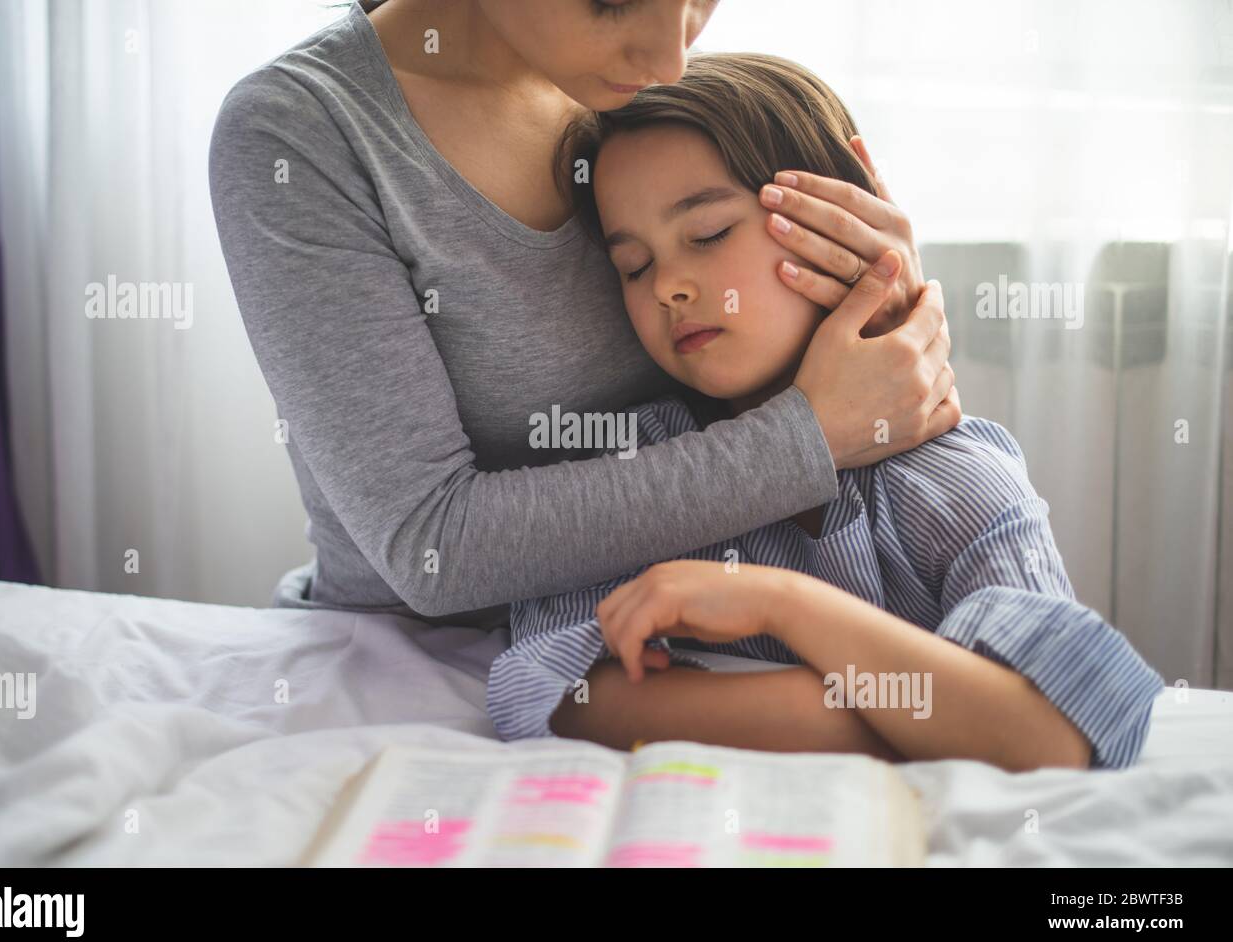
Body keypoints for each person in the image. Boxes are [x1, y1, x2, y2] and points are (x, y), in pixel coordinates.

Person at [486, 53, 1164, 772]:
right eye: (634, 265)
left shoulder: (949, 475)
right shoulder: (634, 467)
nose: (668, 288)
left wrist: (780, 602)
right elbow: (569, 699)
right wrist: (932, 721)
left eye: (709, 233)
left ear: (849, 205)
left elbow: (1052, 732)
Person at [209, 0, 958, 627]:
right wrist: (814, 435)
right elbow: (430, 546)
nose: (671, 58)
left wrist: (880, 323)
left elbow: (797, 389)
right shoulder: (301, 132)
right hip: (422, 668)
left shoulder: (635, 85)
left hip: (686, 641)